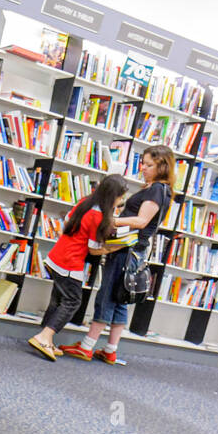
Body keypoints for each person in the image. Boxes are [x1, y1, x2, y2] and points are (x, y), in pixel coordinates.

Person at [61, 146, 175, 366]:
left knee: (107, 295)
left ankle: (86, 346)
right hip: (135, 249)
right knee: (120, 297)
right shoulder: (160, 189)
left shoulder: (157, 190)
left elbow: (141, 221)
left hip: (126, 248)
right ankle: (110, 350)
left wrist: (111, 221)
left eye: (149, 165)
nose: (143, 168)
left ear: (162, 166)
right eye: (143, 163)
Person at [27, 174, 130, 362]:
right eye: (120, 197)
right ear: (112, 196)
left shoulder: (85, 202)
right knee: (72, 302)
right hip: (70, 262)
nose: (121, 201)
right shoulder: (98, 216)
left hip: (57, 256)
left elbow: (67, 223)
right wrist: (118, 246)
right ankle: (44, 337)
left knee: (57, 300)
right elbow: (93, 249)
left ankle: (45, 337)